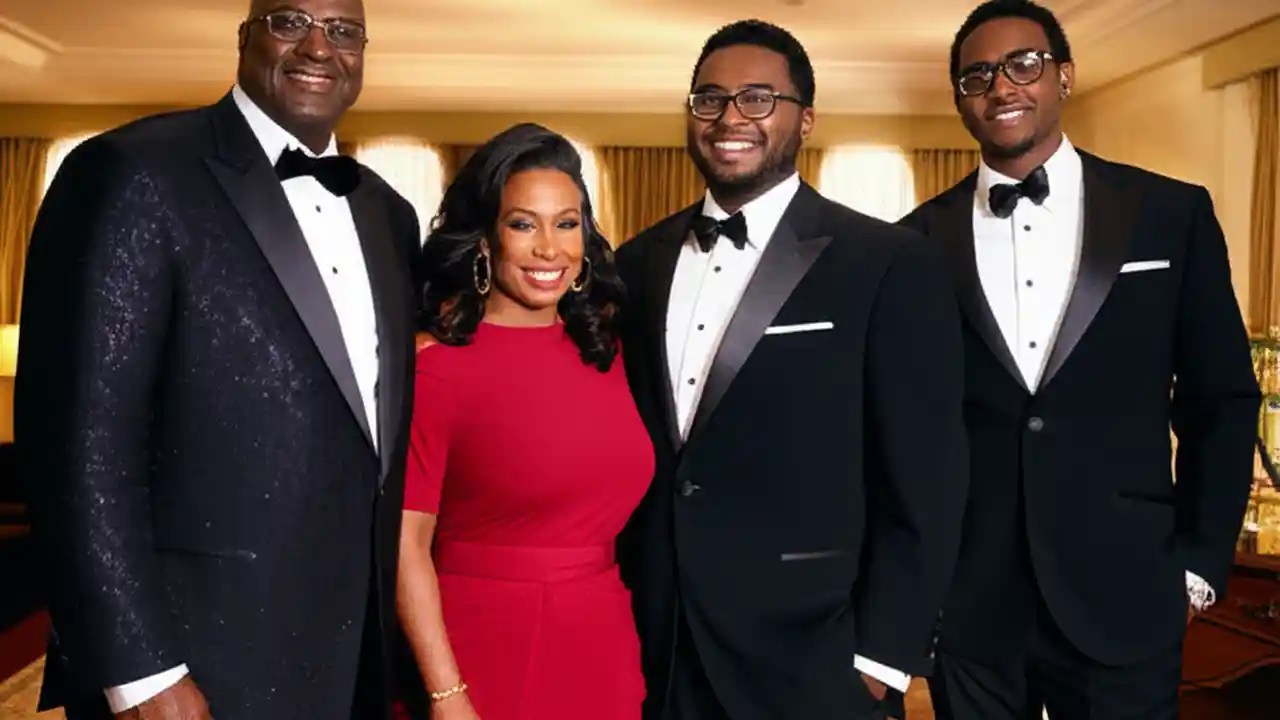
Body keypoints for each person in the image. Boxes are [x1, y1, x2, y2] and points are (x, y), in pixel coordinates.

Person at [16, 1, 421, 718]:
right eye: (291, 21)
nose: (319, 48)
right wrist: (139, 672)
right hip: (191, 666)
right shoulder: (131, 170)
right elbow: (76, 446)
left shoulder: (390, 215)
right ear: (245, 37)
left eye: (344, 30)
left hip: (349, 665)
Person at [899, 1, 1262, 717]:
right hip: (972, 608)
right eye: (977, 75)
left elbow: (1220, 400)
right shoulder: (912, 243)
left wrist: (1197, 568)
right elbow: (904, 429)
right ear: (960, 100)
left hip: (1129, 591)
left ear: (1064, 75)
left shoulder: (1170, 214)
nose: (1001, 87)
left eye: (1023, 64)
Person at [615, 19, 969, 720]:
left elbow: (928, 476)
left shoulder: (887, 262)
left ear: (805, 119)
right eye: (709, 99)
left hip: (817, 656)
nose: (729, 118)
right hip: (658, 647)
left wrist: (884, 657)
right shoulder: (635, 263)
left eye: (757, 98)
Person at [395, 123, 653, 720]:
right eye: (522, 223)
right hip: (480, 647)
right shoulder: (436, 367)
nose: (549, 249)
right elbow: (405, 544)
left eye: (567, 223)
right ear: (485, 239)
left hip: (602, 638)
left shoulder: (603, 350)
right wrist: (445, 694)